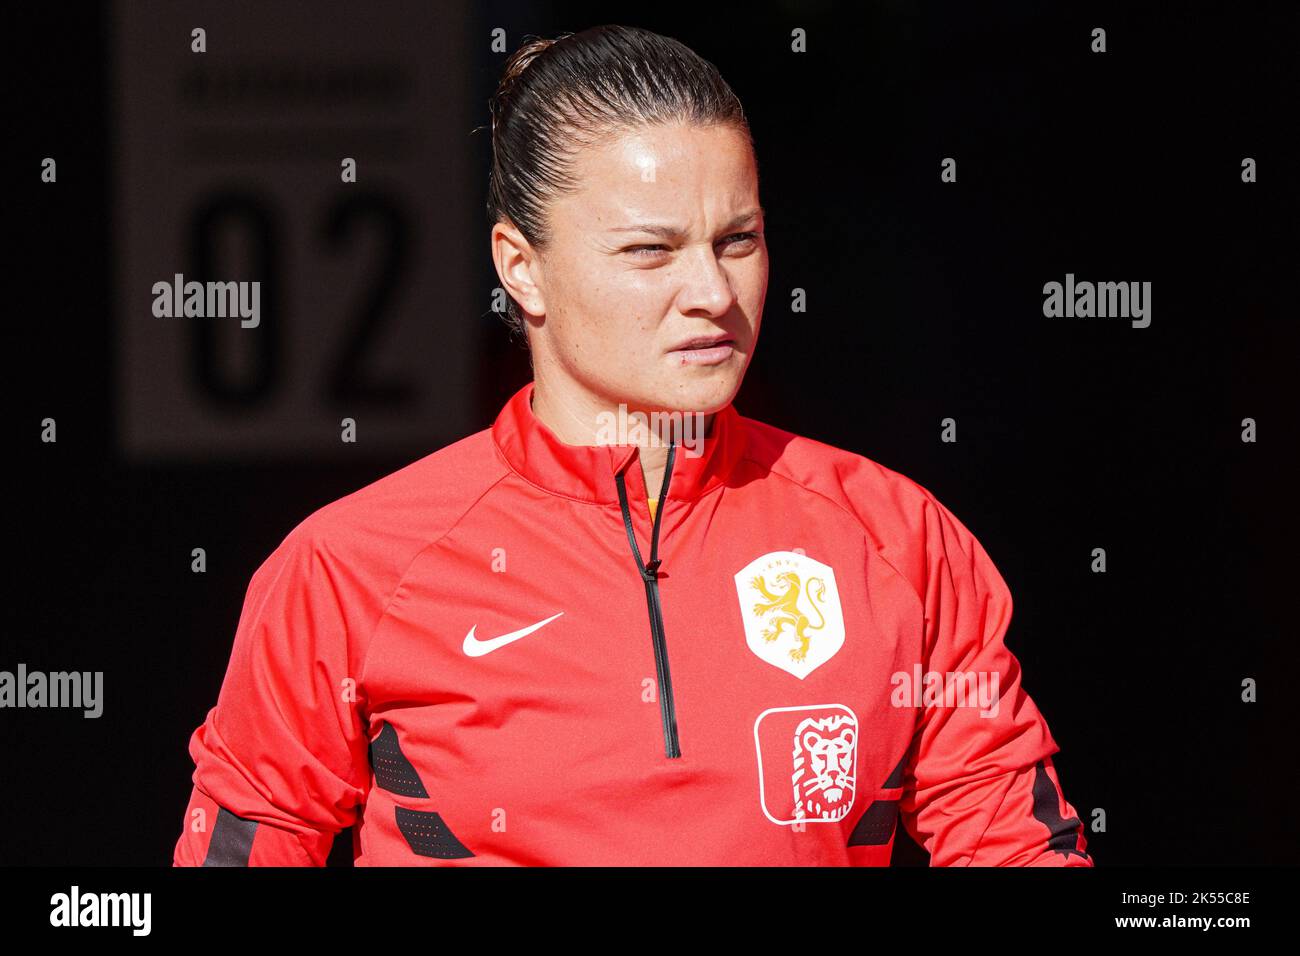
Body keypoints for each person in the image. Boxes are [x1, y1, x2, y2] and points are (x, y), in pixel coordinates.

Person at [173, 24, 1092, 867]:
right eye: (651, 251)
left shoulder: (898, 539)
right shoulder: (352, 567)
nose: (711, 290)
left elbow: (1014, 845)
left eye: (739, 239)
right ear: (519, 267)